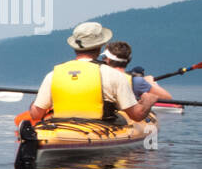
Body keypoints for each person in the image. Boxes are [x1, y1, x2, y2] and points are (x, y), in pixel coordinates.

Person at [17, 23, 157, 124]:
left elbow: (36, 114)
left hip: (60, 126)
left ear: (75, 47)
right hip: (100, 129)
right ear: (100, 46)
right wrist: (148, 101)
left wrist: (35, 104)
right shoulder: (114, 75)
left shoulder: (53, 74)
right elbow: (137, 116)